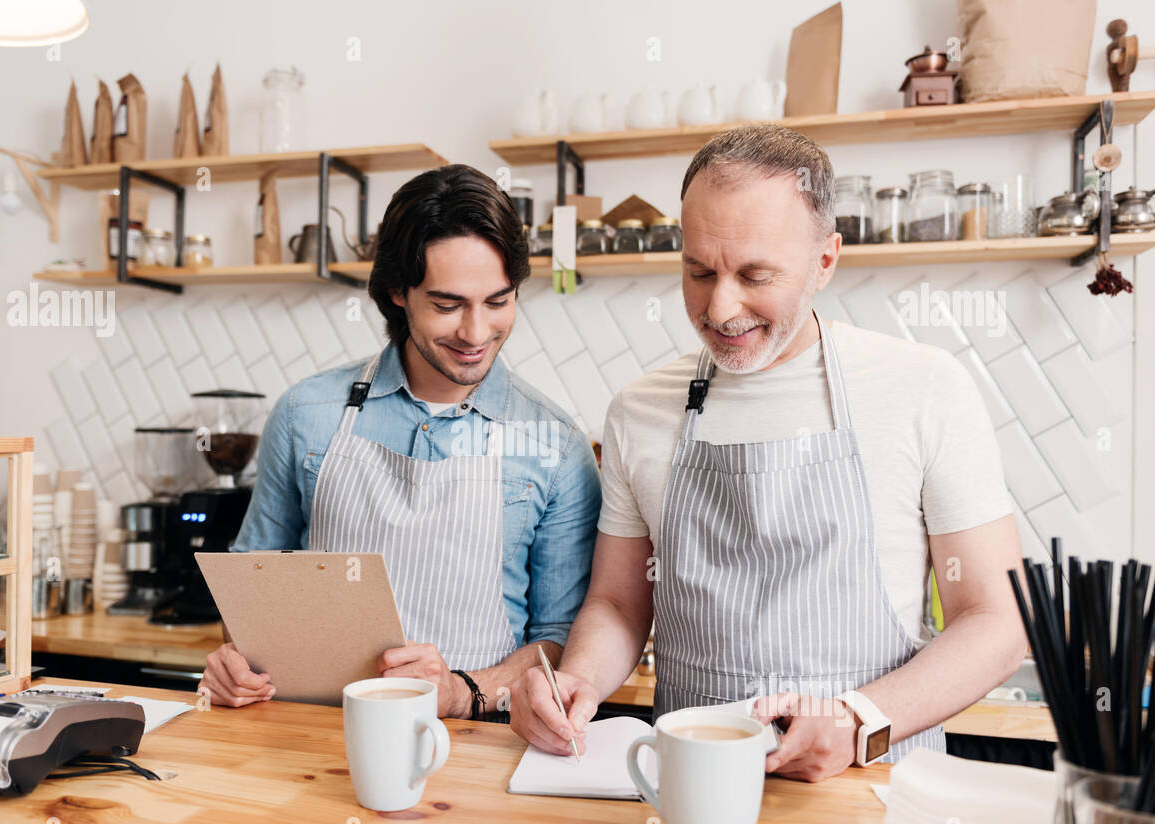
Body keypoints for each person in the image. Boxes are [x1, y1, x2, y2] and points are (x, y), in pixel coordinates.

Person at [509, 123, 1027, 779]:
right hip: (693, 792)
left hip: (874, 791)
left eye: (755, 274)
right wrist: (575, 679)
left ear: (826, 261)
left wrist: (856, 722)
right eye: (699, 271)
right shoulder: (640, 409)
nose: (721, 308)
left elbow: (996, 621)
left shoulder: (925, 388)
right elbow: (618, 601)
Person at [199, 164, 602, 721]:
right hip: (310, 732)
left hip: (474, 746)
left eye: (498, 301)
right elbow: (251, 582)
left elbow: (558, 639)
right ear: (396, 293)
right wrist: (232, 659)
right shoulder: (306, 415)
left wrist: (461, 692)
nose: (476, 332)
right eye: (446, 304)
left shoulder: (555, 447)